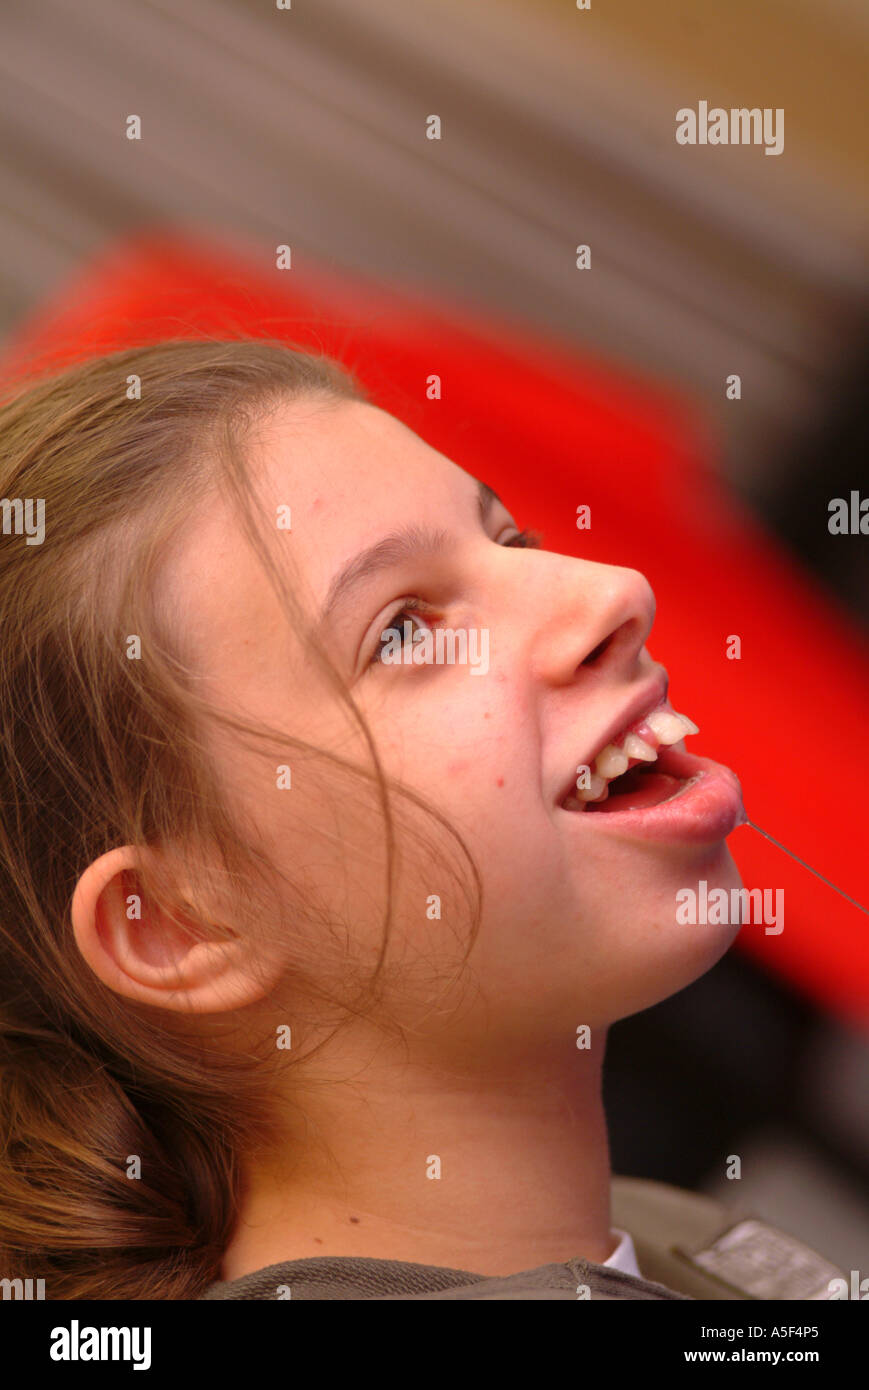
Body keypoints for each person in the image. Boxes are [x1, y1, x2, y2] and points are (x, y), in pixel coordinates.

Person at [0, 338, 833, 1301]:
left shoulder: (675, 1241)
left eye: (507, 538)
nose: (610, 590)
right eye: (402, 628)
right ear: (182, 923)